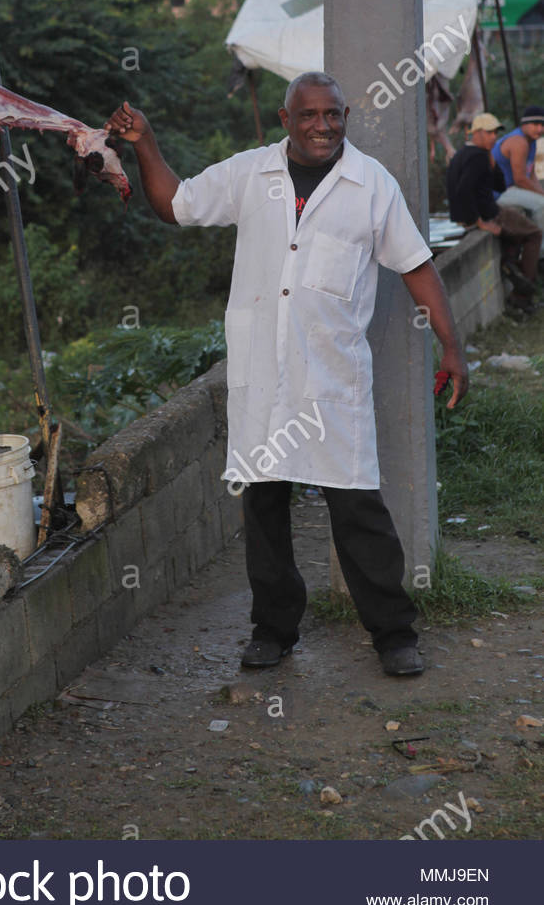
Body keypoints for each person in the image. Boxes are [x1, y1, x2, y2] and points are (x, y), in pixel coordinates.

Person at [105, 72, 468, 678]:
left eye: (332, 114)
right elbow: (175, 204)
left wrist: (451, 346)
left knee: (357, 510)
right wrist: (145, 141)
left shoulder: (370, 185)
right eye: (308, 116)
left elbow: (416, 266)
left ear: (346, 114)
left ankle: (394, 634)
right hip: (263, 376)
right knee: (264, 508)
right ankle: (273, 631)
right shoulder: (251, 174)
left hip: (331, 379)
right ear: (285, 119)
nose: (322, 126)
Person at [446, 112, 541, 313]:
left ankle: (509, 261)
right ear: (476, 133)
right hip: (490, 214)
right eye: (489, 133)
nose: (493, 138)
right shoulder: (476, 157)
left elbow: (499, 184)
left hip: (476, 214)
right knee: (534, 234)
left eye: (495, 133)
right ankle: (524, 293)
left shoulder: (466, 153)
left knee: (517, 234)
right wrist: (479, 222)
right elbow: (463, 190)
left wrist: (492, 159)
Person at [493, 104, 544, 231]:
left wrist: (542, 192)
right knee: (542, 204)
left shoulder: (532, 142)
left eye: (542, 125)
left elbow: (531, 176)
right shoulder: (518, 141)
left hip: (511, 190)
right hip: (497, 193)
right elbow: (520, 179)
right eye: (535, 124)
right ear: (524, 124)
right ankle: (541, 247)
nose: (540, 129)